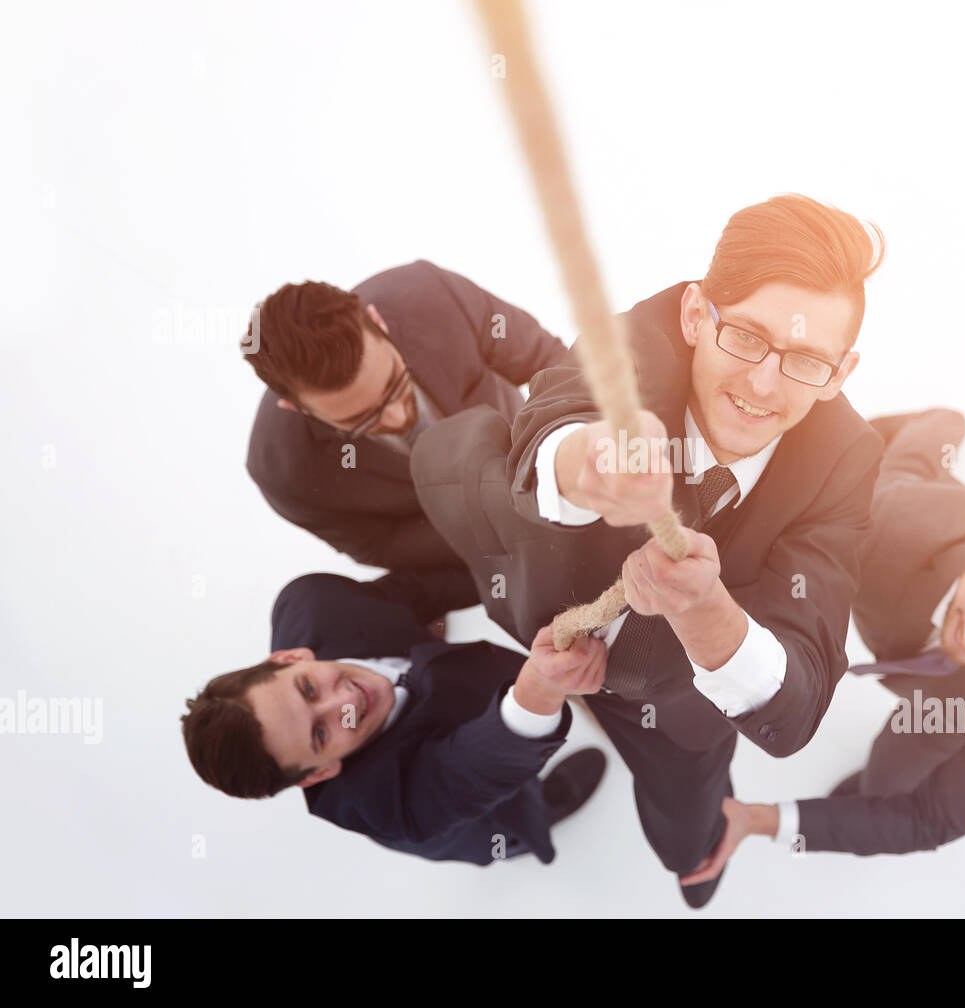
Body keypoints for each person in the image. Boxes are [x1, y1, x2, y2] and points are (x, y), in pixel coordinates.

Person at [411, 195, 886, 906]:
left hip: (681, 704)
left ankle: (692, 863)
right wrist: (593, 464)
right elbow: (556, 425)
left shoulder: (846, 460)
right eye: (747, 338)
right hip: (543, 607)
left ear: (842, 372)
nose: (762, 387)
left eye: (806, 361)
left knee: (685, 825)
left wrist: (706, 613)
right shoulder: (630, 344)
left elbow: (796, 704)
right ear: (696, 315)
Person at [680, 409, 965, 882]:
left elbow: (927, 817)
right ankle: (945, 419)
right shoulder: (894, 519)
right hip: (911, 503)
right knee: (910, 453)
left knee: (885, 786)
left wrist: (762, 820)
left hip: (958, 715)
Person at [180, 572, 607, 866]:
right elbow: (475, 770)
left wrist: (524, 573)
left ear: (291, 657)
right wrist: (537, 693)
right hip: (454, 807)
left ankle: (422, 656)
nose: (344, 701)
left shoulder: (313, 603)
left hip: (438, 677)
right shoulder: (389, 807)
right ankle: (528, 828)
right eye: (320, 732)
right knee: (501, 819)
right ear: (320, 772)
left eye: (309, 688)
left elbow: (417, 588)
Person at [244, 260, 567, 622]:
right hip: (463, 545)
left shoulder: (431, 295)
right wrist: (489, 523)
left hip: (534, 456)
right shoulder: (282, 472)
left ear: (379, 323)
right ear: (296, 408)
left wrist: (566, 455)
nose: (398, 418)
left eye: (394, 384)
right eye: (360, 420)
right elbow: (379, 544)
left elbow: (551, 362)